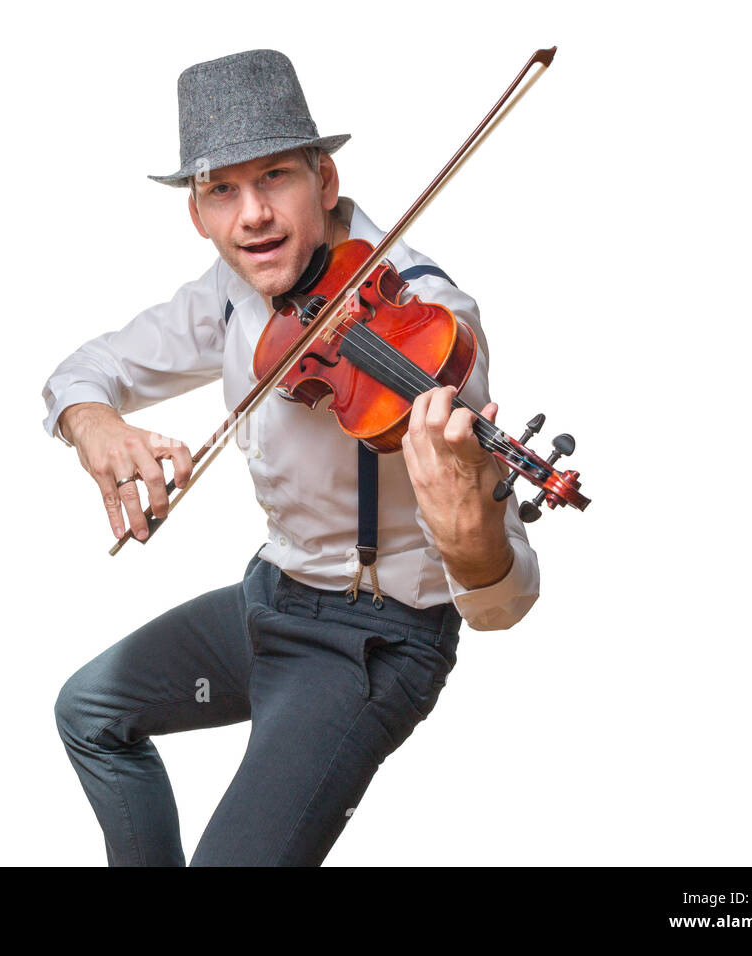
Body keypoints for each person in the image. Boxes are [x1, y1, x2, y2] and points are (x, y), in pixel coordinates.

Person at [42, 49, 541, 866]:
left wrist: (472, 536)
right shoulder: (233, 288)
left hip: (371, 640)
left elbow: (502, 598)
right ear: (198, 214)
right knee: (89, 712)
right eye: (223, 191)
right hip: (270, 597)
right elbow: (82, 373)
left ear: (327, 181)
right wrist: (96, 426)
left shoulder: (431, 324)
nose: (253, 216)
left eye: (275, 176)